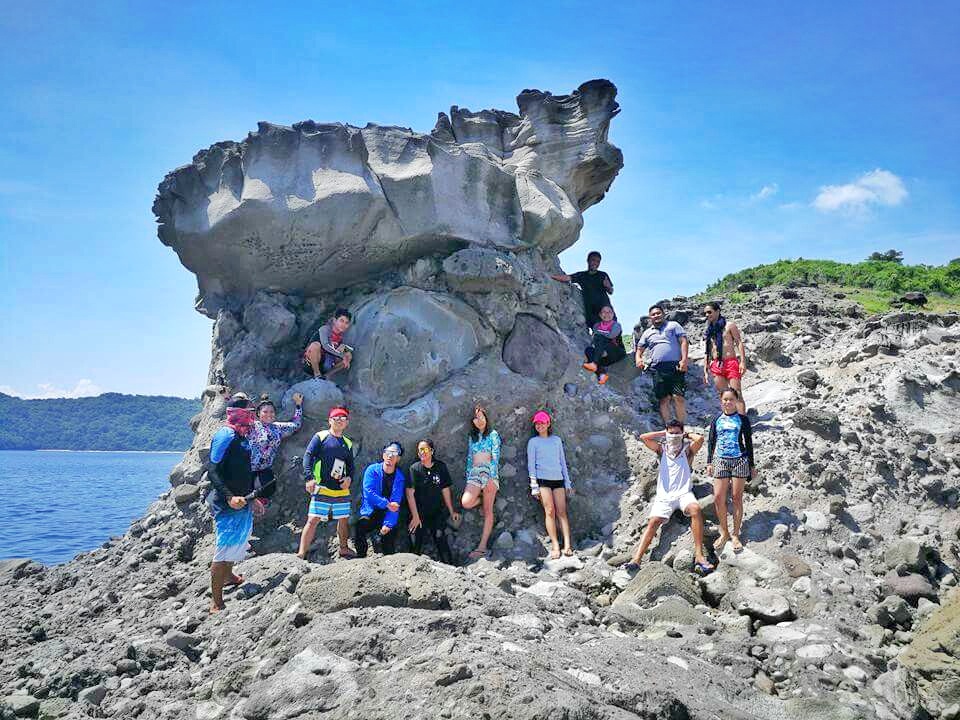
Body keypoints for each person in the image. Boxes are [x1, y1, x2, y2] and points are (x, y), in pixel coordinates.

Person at [623, 421, 713, 575]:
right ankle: (636, 559)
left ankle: (699, 555)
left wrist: (685, 435)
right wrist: (664, 434)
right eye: (671, 433)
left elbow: (700, 440)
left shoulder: (687, 451)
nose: (673, 436)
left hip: (684, 493)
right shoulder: (662, 449)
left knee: (696, 509)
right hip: (664, 496)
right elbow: (644, 437)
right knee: (653, 521)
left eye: (676, 433)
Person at [206, 393, 261, 612]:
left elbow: (243, 470)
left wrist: (252, 498)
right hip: (228, 502)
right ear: (238, 413)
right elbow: (212, 469)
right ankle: (216, 601)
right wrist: (229, 496)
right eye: (249, 412)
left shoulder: (242, 434)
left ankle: (229, 576)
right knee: (224, 547)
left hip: (243, 499)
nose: (252, 416)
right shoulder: (226, 434)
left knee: (239, 540)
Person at [297, 406, 356, 560]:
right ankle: (301, 553)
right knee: (313, 519)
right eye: (336, 418)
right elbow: (308, 457)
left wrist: (349, 478)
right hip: (321, 486)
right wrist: (309, 478)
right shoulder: (321, 436)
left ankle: (343, 548)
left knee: (343, 519)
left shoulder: (347, 442)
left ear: (347, 423)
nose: (339, 421)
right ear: (330, 421)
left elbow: (350, 465)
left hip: (340, 488)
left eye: (343, 418)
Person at [707, 388, 756, 553]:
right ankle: (724, 532)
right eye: (725, 399)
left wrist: (752, 465)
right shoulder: (716, 419)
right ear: (721, 401)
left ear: (736, 401)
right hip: (720, 460)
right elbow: (711, 440)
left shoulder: (743, 419)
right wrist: (709, 461)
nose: (728, 402)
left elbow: (748, 442)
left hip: (739, 460)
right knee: (718, 498)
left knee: (736, 498)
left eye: (731, 399)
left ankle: (735, 534)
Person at [526, 410, 574, 559]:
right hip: (543, 481)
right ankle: (555, 545)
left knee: (562, 512)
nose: (539, 426)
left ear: (548, 423)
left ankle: (567, 545)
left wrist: (567, 483)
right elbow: (531, 465)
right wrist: (534, 486)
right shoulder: (533, 442)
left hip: (558, 479)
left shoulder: (556, 440)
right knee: (549, 511)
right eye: (537, 424)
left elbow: (562, 462)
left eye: (542, 423)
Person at [247, 392, 303, 517]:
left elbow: (296, 424)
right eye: (265, 412)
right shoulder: (252, 426)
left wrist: (298, 405)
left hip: (264, 468)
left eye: (271, 412)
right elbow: (237, 418)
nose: (269, 414)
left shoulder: (277, 427)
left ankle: (259, 508)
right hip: (247, 468)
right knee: (243, 492)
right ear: (258, 414)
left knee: (269, 487)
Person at [406, 439, 461, 564]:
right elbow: (410, 494)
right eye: (419, 450)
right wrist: (415, 517)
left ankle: (452, 569)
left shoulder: (440, 467)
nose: (422, 452)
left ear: (431, 451)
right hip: (418, 513)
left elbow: (445, 489)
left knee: (440, 538)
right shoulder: (414, 469)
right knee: (415, 542)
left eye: (425, 449)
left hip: (436, 512)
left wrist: (452, 511)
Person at [635, 305, 689, 424]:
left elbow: (683, 341)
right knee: (664, 399)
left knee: (678, 397)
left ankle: (681, 427)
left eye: (658, 313)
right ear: (650, 317)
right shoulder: (647, 333)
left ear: (663, 314)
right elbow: (639, 348)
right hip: (658, 369)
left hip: (676, 366)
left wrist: (684, 360)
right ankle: (669, 428)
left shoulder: (673, 325)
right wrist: (638, 359)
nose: (656, 316)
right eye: (653, 314)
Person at [461, 404, 502, 559]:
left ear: (486, 418)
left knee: (487, 511)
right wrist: (469, 475)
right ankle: (481, 499)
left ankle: (482, 547)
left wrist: (491, 476)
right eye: (475, 418)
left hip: (489, 473)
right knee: (466, 502)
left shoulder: (493, 435)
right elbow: (470, 458)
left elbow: (495, 456)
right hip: (475, 474)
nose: (478, 420)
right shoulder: (472, 437)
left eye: (480, 417)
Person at [355, 442, 407, 558]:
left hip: (387, 513)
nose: (390, 456)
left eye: (394, 453)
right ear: (383, 454)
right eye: (388, 452)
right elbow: (369, 493)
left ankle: (388, 561)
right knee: (360, 526)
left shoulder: (399, 478)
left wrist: (388, 524)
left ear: (398, 458)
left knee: (390, 533)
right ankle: (361, 557)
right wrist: (386, 503)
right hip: (371, 510)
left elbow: (395, 504)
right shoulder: (372, 470)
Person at [703, 302, 747, 414]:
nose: (707, 315)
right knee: (723, 396)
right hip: (716, 364)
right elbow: (707, 351)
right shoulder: (709, 330)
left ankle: (743, 423)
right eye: (705, 313)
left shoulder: (729, 325)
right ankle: (728, 421)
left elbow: (739, 342)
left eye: (709, 312)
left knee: (736, 393)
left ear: (717, 311)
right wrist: (706, 369)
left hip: (730, 362)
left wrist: (742, 362)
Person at [550, 250, 615, 327]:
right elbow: (567, 277)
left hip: (605, 308)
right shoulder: (582, 275)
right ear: (588, 260)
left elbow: (611, 291)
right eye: (593, 260)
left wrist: (608, 286)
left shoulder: (603, 275)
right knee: (598, 333)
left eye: (598, 261)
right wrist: (552, 276)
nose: (595, 263)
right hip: (591, 311)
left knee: (613, 332)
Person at [303, 308, 354, 379]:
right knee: (315, 345)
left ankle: (327, 376)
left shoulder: (340, 337)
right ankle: (317, 375)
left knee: (348, 354)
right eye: (341, 321)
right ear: (335, 320)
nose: (344, 325)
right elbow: (325, 346)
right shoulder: (325, 329)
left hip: (325, 365)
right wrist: (342, 356)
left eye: (346, 323)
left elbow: (346, 351)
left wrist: (346, 352)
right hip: (310, 364)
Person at [582, 305, 626, 385]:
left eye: (609, 312)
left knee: (600, 338)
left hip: (616, 352)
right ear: (600, 314)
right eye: (604, 312)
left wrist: (599, 334)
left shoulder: (616, 325)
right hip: (603, 356)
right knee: (589, 350)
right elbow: (594, 340)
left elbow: (611, 335)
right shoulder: (596, 326)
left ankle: (594, 363)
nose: (607, 314)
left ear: (613, 314)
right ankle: (602, 374)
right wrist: (599, 350)